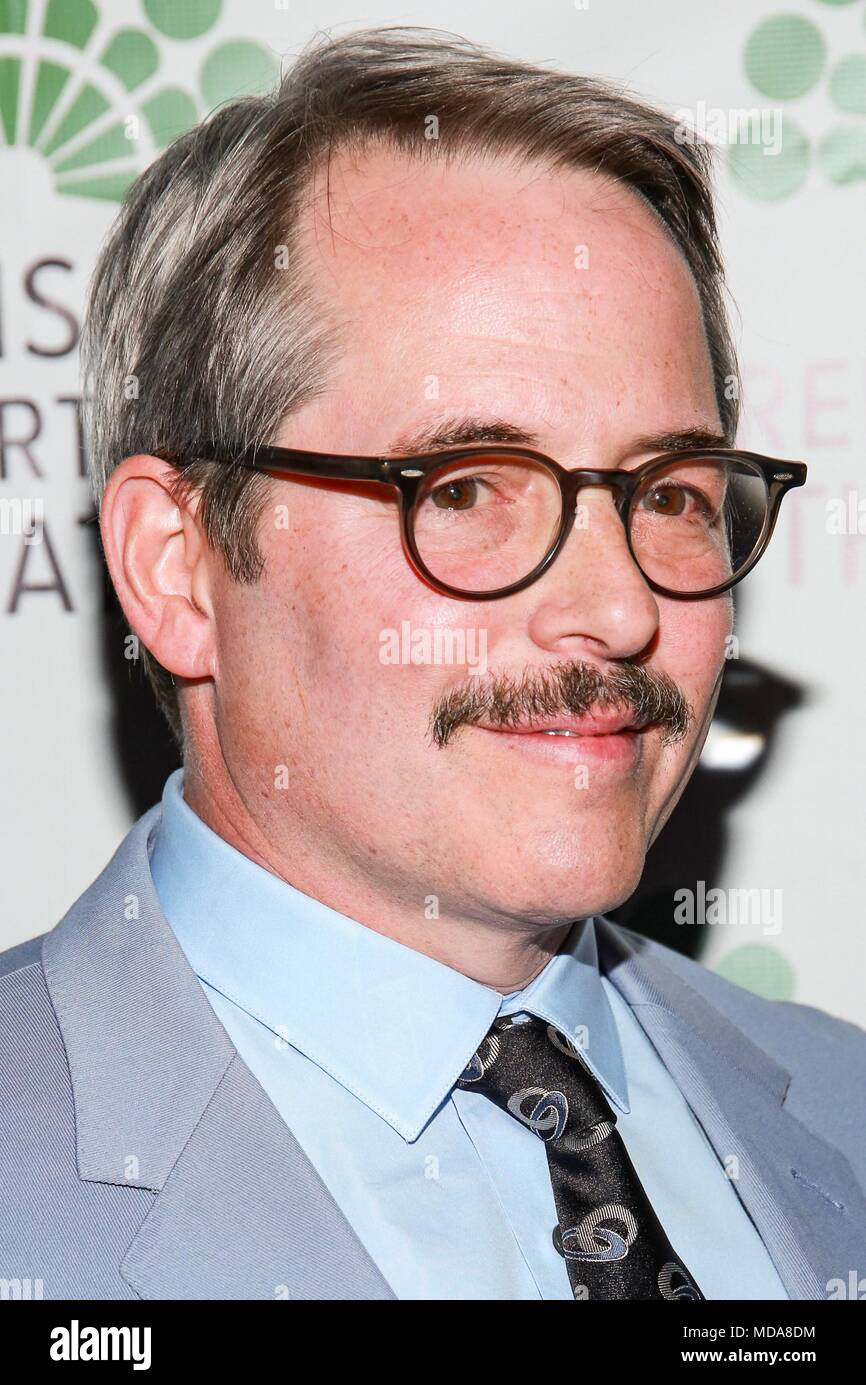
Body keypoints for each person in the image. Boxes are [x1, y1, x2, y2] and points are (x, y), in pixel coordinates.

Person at [1, 26, 863, 1302]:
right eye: (464, 488)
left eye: (670, 493)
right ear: (178, 567)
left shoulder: (840, 1107)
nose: (620, 607)